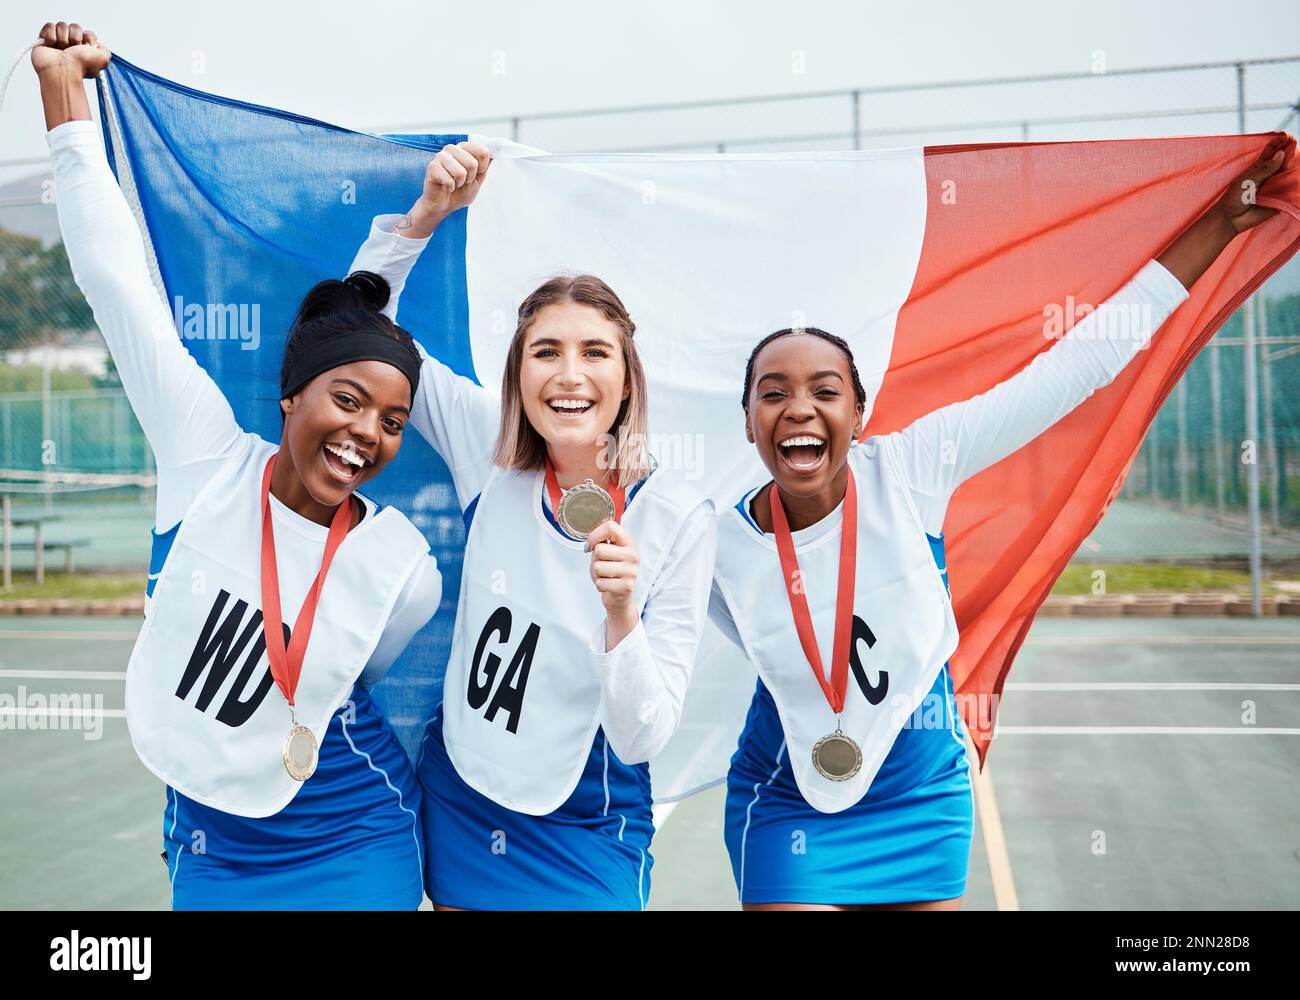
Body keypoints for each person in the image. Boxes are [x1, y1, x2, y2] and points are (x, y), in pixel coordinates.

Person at [709, 135, 1289, 910]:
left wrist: (1214, 227)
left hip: (923, 795)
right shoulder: (714, 543)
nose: (799, 408)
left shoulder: (914, 469)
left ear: (860, 412)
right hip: (790, 799)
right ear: (748, 422)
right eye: (772, 392)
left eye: (824, 389)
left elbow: (1076, 364)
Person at [34, 21, 444, 910]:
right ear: (290, 396)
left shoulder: (403, 566)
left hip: (354, 827)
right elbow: (119, 288)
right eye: (347, 400)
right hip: (216, 844)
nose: (366, 432)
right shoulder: (205, 457)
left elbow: (348, 684)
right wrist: (67, 109)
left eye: (392, 420)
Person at [345, 149, 719, 909]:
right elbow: (357, 331)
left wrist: (621, 617)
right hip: (467, 796)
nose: (569, 374)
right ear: (519, 371)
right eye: (545, 352)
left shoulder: (676, 514)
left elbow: (645, 735)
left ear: (626, 377)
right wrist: (422, 222)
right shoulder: (487, 447)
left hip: (589, 821)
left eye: (594, 353)